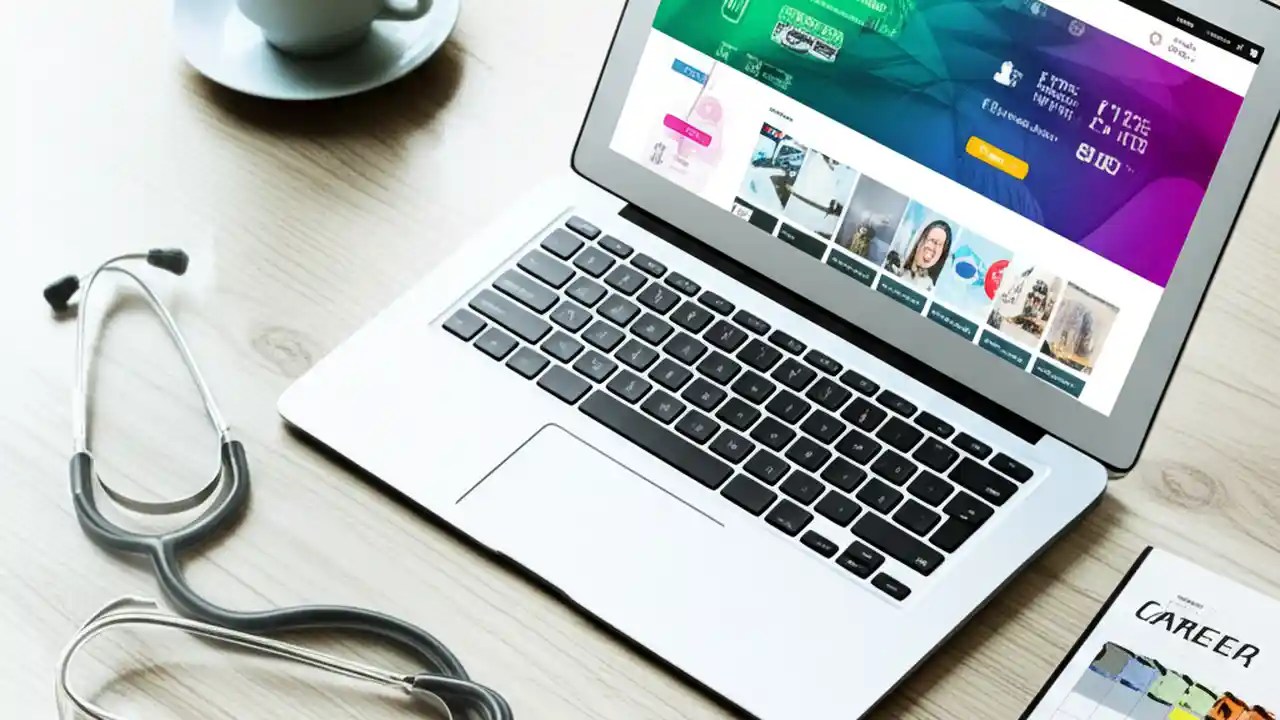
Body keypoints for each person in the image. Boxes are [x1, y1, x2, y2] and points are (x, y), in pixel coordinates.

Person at [887, 219, 952, 292]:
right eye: (932, 241)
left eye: (940, 245)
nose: (934, 249)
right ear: (920, 240)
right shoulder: (894, 264)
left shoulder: (930, 289)